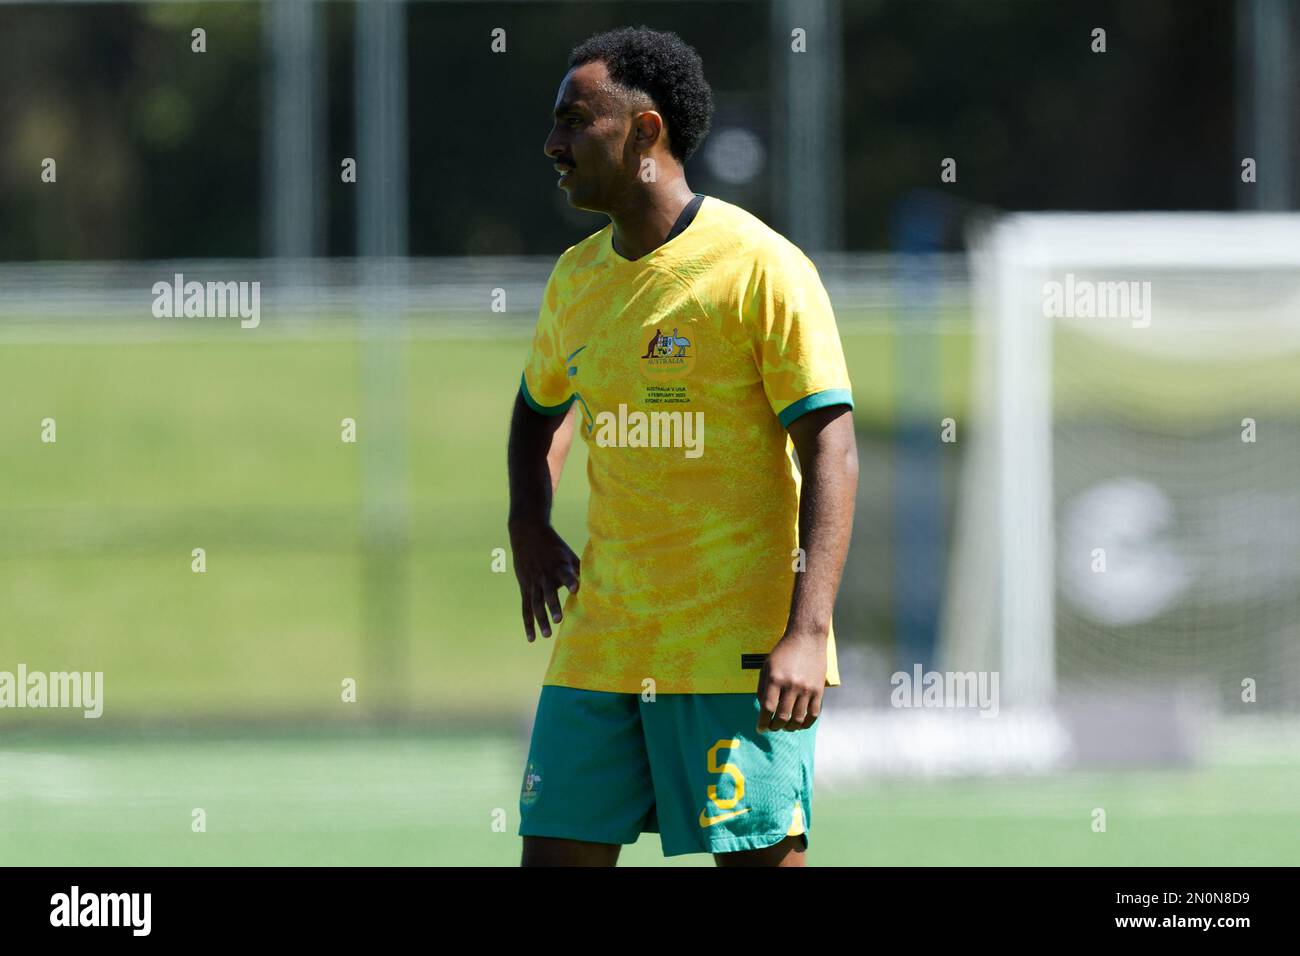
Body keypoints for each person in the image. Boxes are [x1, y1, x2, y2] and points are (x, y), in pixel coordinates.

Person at [507, 26, 858, 867]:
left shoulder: (760, 269)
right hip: (604, 642)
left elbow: (831, 451)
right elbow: (540, 408)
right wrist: (529, 515)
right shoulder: (577, 278)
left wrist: (807, 632)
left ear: (646, 133)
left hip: (735, 652)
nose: (553, 144)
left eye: (574, 121)